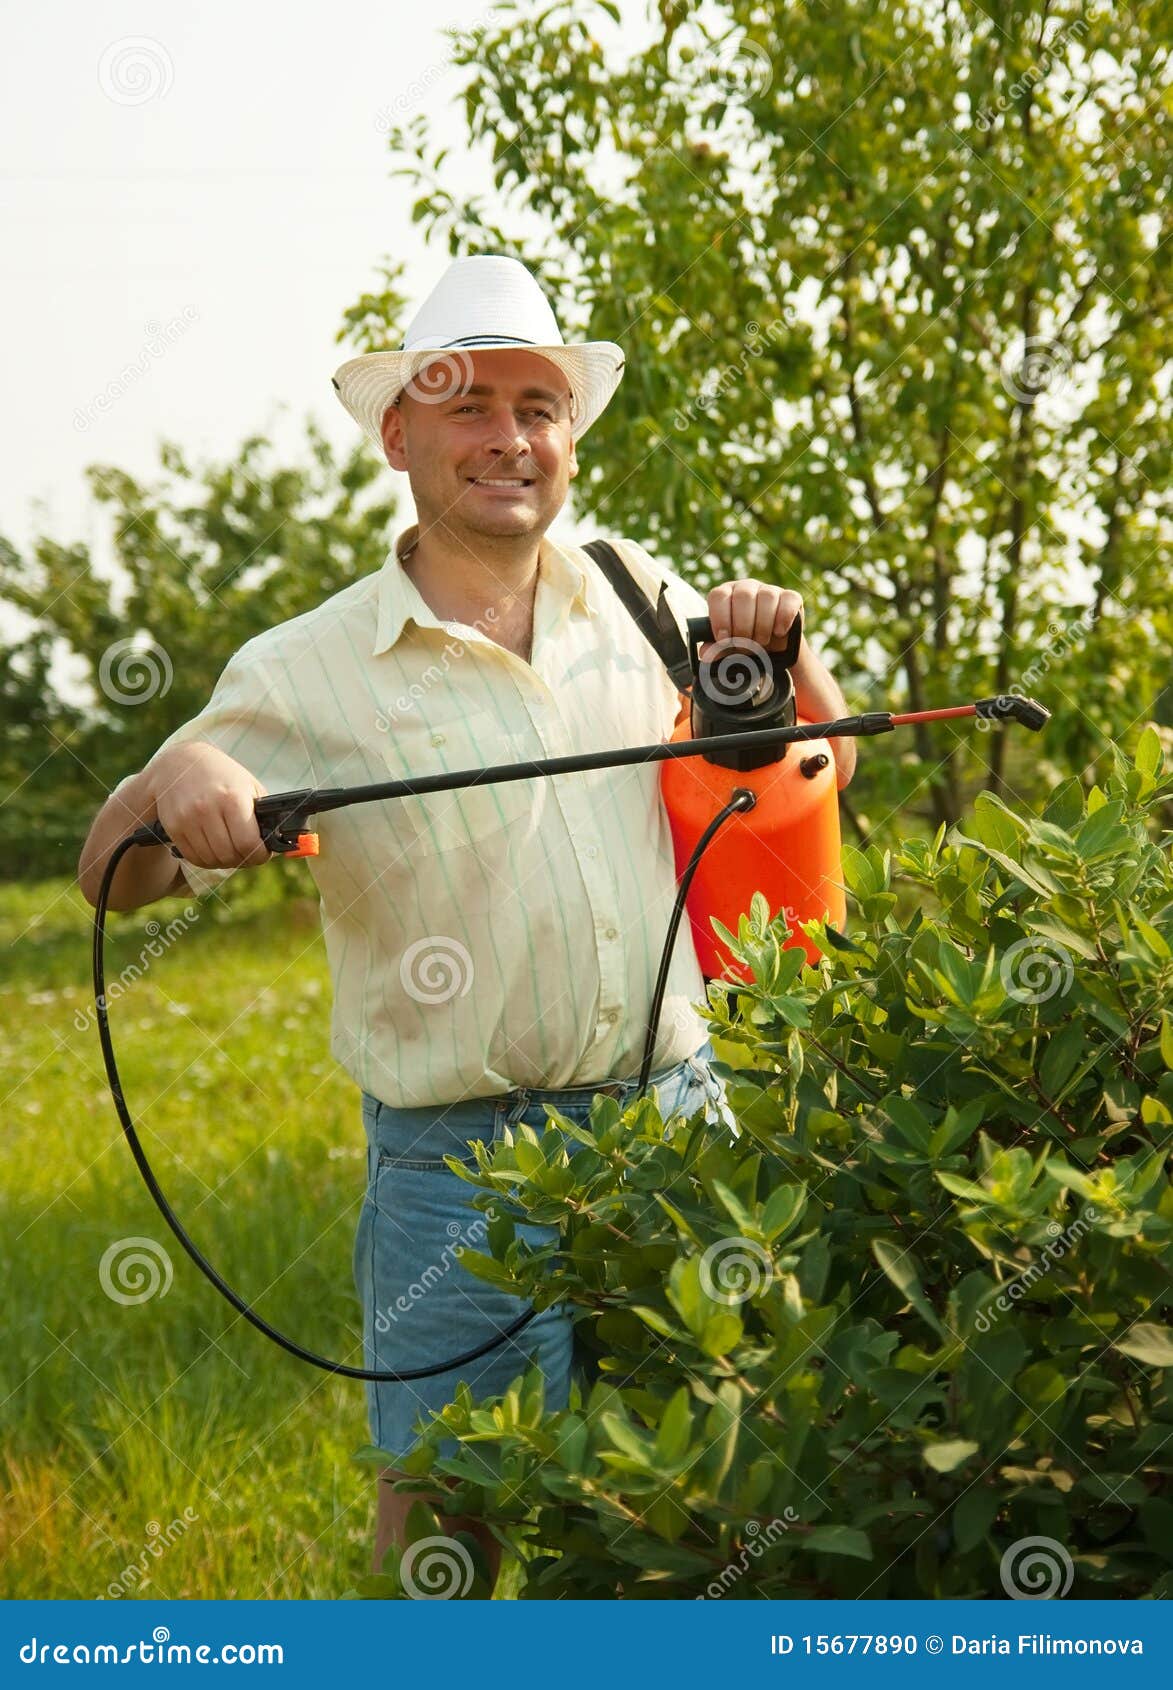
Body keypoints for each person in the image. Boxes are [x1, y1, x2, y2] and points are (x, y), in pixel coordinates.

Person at [78, 254, 857, 1588]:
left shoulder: (637, 592)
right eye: (466, 404)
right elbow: (114, 879)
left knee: (704, 1498)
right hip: (456, 1169)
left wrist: (781, 655)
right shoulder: (301, 666)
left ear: (566, 435)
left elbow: (825, 762)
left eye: (537, 406)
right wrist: (175, 781)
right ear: (398, 432)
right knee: (449, 1520)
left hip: (676, 1121)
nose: (509, 437)